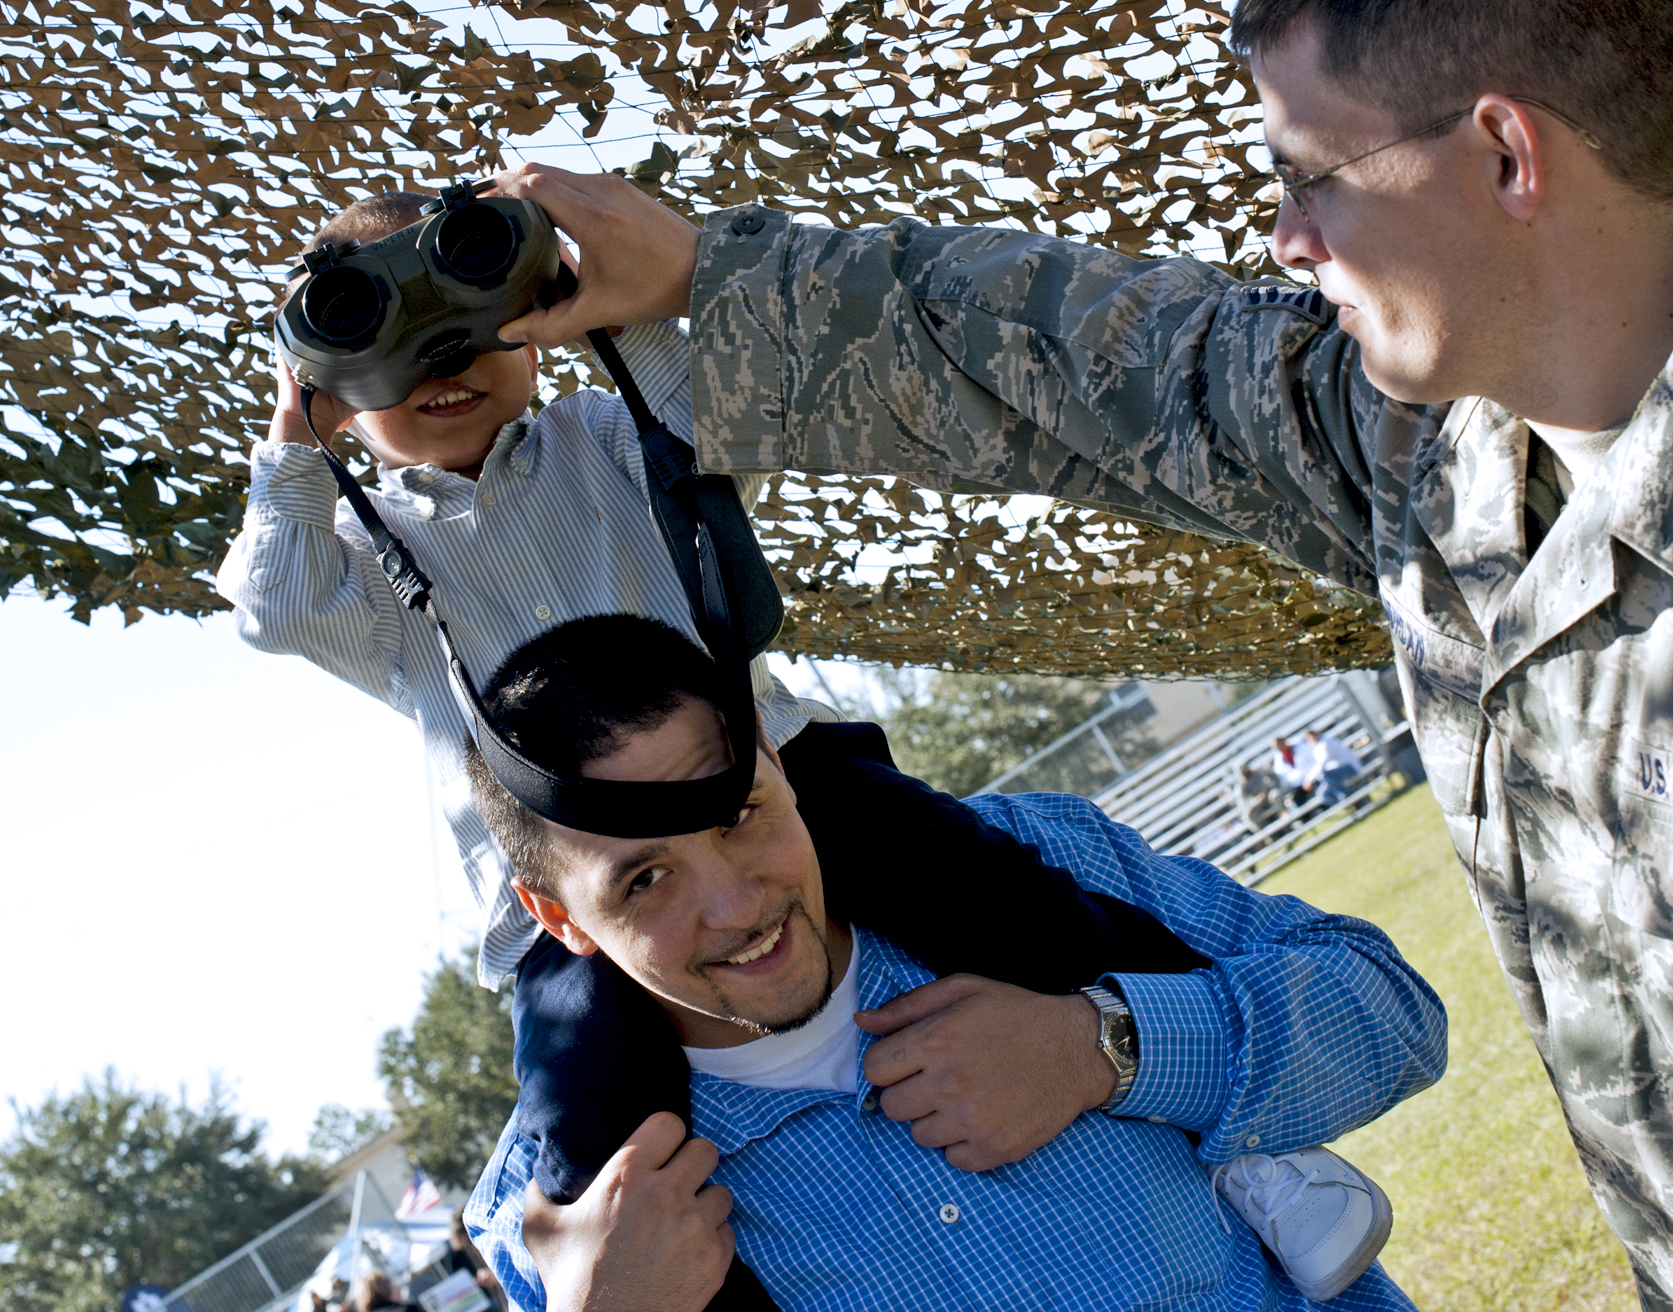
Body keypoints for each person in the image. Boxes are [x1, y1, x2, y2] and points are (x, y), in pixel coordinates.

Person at [490, 0, 1673, 1310]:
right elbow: (1080, 361)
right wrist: (707, 274)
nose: (1282, 237)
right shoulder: (1442, 441)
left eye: (1309, 178)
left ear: (1505, 156)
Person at [217, 195, 1391, 1305]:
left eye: (471, 320)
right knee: (598, 1150)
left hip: (781, 776)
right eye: (394, 347)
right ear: (337, 388)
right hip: (572, 901)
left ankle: (1244, 1153)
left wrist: (595, 292)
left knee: (1022, 910)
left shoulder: (605, 438)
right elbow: (270, 604)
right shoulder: (370, 571)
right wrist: (296, 429)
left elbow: (714, 393)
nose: (446, 364)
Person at [461, 615, 1445, 1310]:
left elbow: (1397, 1015)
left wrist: (1108, 1046)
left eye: (738, 816)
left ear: (772, 752)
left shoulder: (1034, 868)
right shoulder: (564, 1221)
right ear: (559, 920)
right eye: (646, 882)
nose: (735, 905)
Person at [1302, 729, 1363, 808]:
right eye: (1309, 738)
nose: (1312, 739)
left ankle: (1348, 795)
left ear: (1317, 734)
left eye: (1313, 737)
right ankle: (1348, 805)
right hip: (1335, 774)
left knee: (1324, 775)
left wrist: (1309, 779)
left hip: (1349, 768)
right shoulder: (1316, 748)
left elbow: (1321, 764)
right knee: (1321, 794)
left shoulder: (1326, 743)